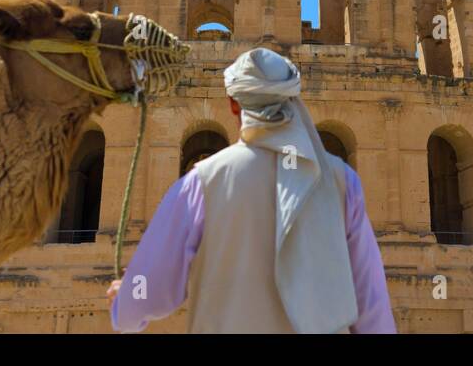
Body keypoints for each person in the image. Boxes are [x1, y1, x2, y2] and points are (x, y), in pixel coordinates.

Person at [107, 47, 395, 333]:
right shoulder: (342, 181)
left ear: (233, 104)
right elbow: (370, 301)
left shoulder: (201, 183)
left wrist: (125, 305)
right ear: (292, 99)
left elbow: (152, 286)